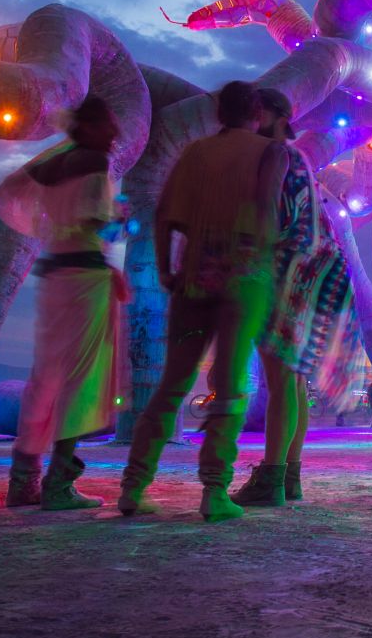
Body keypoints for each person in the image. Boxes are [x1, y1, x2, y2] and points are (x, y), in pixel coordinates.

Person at [118, 80, 288, 522]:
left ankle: (134, 486)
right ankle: (214, 491)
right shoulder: (271, 152)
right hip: (246, 275)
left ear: (218, 112)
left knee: (172, 384)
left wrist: (166, 270)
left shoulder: (195, 153)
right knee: (231, 387)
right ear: (257, 113)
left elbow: (164, 217)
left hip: (194, 274)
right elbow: (267, 210)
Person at [0, 95, 131, 511]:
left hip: (55, 276)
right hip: (86, 279)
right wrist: (123, 220)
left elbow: (8, 190)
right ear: (88, 127)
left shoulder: (53, 165)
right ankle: (59, 481)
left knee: (46, 376)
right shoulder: (95, 163)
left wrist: (53, 227)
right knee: (82, 377)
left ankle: (23, 479)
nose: (115, 132)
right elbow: (100, 227)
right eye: (107, 124)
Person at [232, 88, 356, 508]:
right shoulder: (298, 157)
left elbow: (267, 213)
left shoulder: (274, 153)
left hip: (289, 271)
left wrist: (247, 262)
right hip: (317, 272)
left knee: (280, 378)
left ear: (274, 117)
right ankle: (288, 476)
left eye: (256, 113)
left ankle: (271, 479)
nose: (251, 120)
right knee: (293, 380)